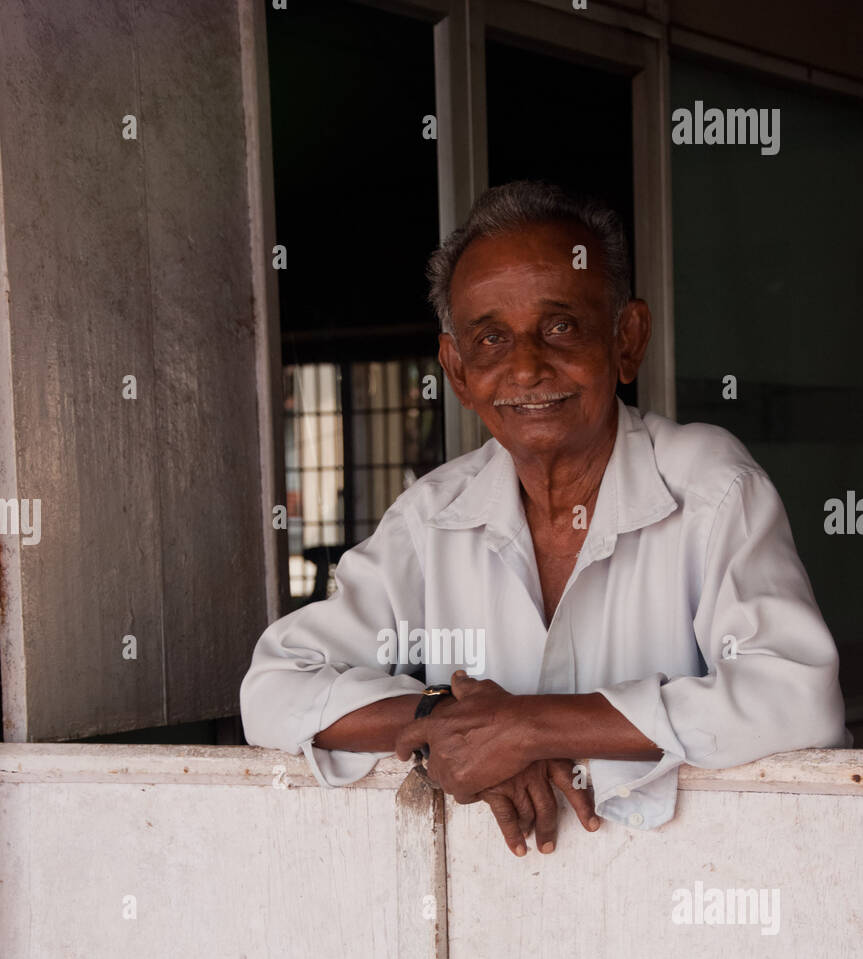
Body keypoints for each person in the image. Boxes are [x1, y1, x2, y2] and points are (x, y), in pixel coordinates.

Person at [240, 181, 848, 854]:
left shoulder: (707, 483)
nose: (526, 368)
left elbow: (794, 698)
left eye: (560, 327)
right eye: (490, 337)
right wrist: (443, 722)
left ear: (626, 339)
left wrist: (531, 726)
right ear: (457, 369)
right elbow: (272, 689)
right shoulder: (433, 515)